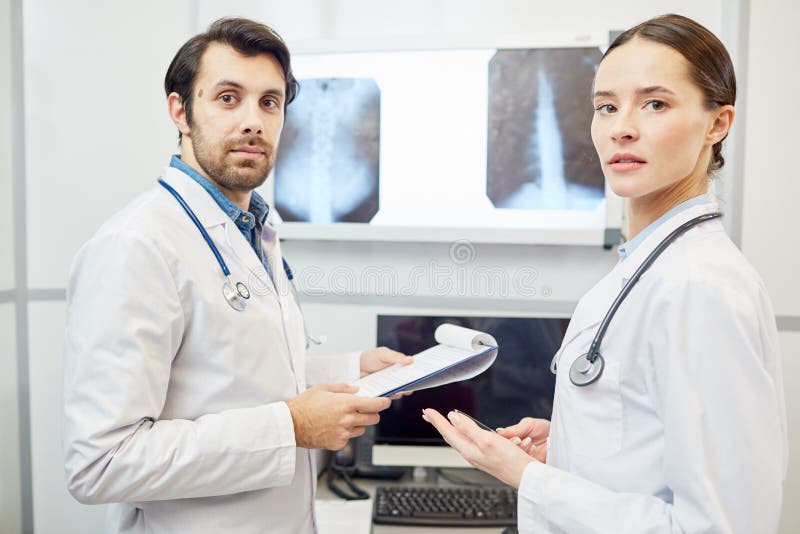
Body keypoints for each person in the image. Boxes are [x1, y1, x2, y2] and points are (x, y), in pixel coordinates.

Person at [424, 13, 787, 533]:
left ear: (717, 123)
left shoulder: (699, 288)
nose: (622, 127)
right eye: (606, 106)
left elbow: (719, 526)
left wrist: (528, 477)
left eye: (655, 104)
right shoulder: (648, 267)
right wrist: (573, 447)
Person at [62, 18, 411, 534]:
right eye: (229, 98)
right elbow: (101, 462)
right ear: (180, 110)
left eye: (270, 103)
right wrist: (288, 427)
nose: (253, 120)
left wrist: (351, 369)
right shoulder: (134, 246)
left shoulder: (253, 229)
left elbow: (232, 377)